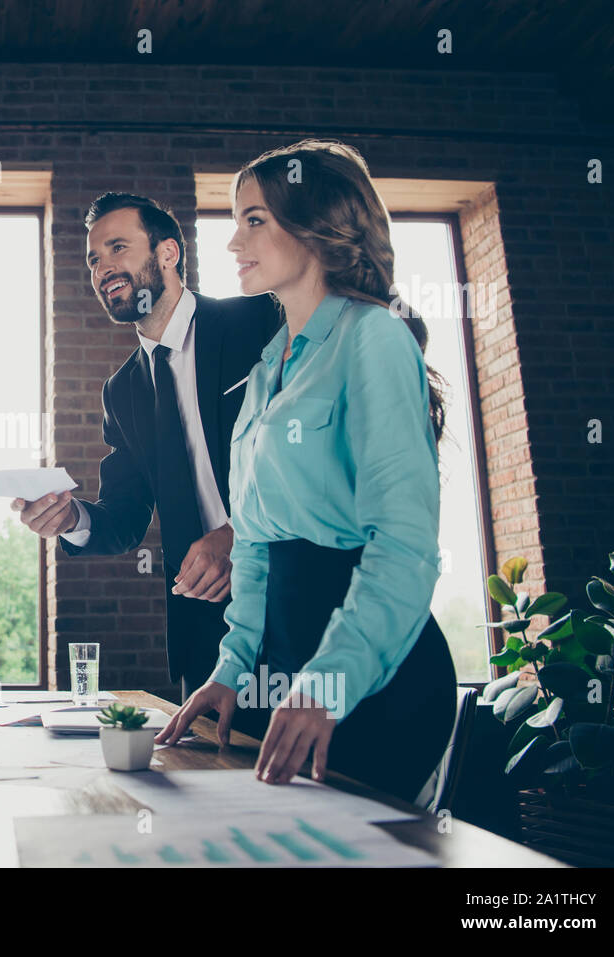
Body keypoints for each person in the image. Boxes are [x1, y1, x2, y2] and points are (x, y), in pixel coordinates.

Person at [156, 139, 457, 803]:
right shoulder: (266, 372)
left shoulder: (372, 338)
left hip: (377, 683)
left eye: (254, 219)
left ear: (320, 222)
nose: (234, 242)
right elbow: (257, 551)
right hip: (283, 674)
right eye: (235, 221)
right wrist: (231, 669)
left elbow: (405, 545)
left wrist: (331, 680)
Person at [12, 193, 280, 699]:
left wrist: (236, 535)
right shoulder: (123, 391)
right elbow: (125, 518)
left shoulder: (258, 322)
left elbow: (313, 457)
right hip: (206, 638)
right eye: (94, 259)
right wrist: (71, 519)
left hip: (302, 611)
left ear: (168, 254)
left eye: (118, 248)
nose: (103, 268)